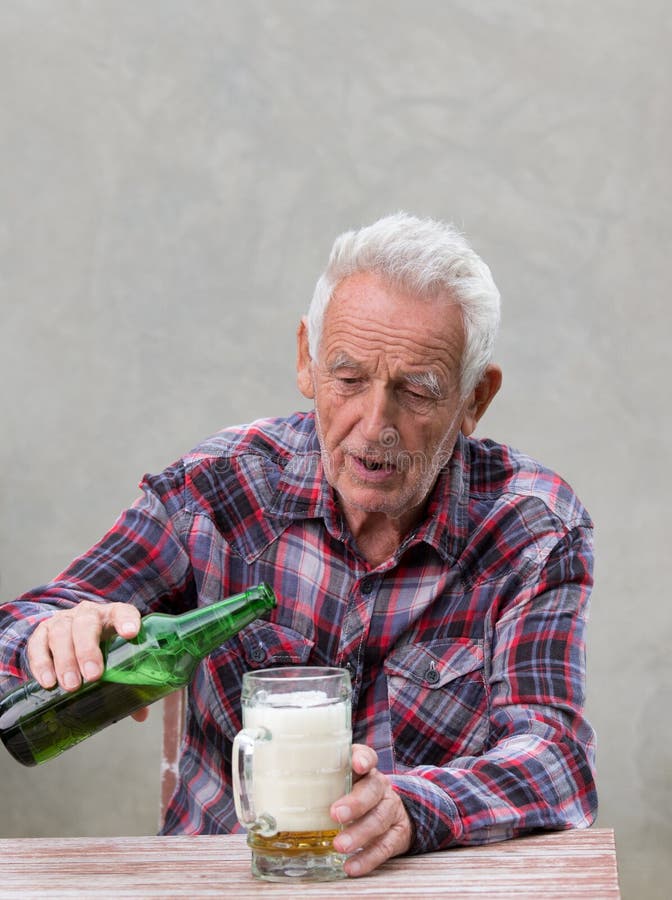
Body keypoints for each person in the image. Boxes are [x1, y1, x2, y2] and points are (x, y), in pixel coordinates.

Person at [0, 213, 597, 877]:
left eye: (416, 391)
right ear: (306, 362)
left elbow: (556, 760)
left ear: (474, 399)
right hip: (220, 882)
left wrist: (412, 808)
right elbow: (26, 626)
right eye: (348, 378)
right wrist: (50, 638)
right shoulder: (217, 487)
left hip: (422, 886)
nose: (374, 425)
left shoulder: (532, 527)